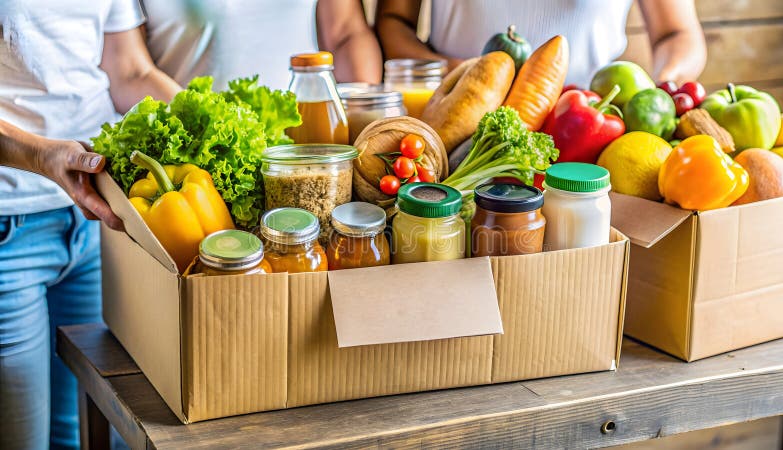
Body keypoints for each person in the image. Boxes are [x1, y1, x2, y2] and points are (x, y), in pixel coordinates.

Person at [0, 1, 181, 448]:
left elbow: (130, 71)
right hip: (10, 228)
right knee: (24, 437)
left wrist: (208, 117)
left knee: (89, 427)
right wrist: (42, 154)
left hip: (98, 219)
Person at [375, 0, 707, 86]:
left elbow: (677, 34)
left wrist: (665, 86)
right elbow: (393, 22)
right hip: (454, 117)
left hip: (585, 134)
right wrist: (459, 72)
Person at [141, 0, 383, 88]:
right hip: (194, 153)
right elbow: (131, 72)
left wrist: (363, 112)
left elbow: (346, 33)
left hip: (302, 142)